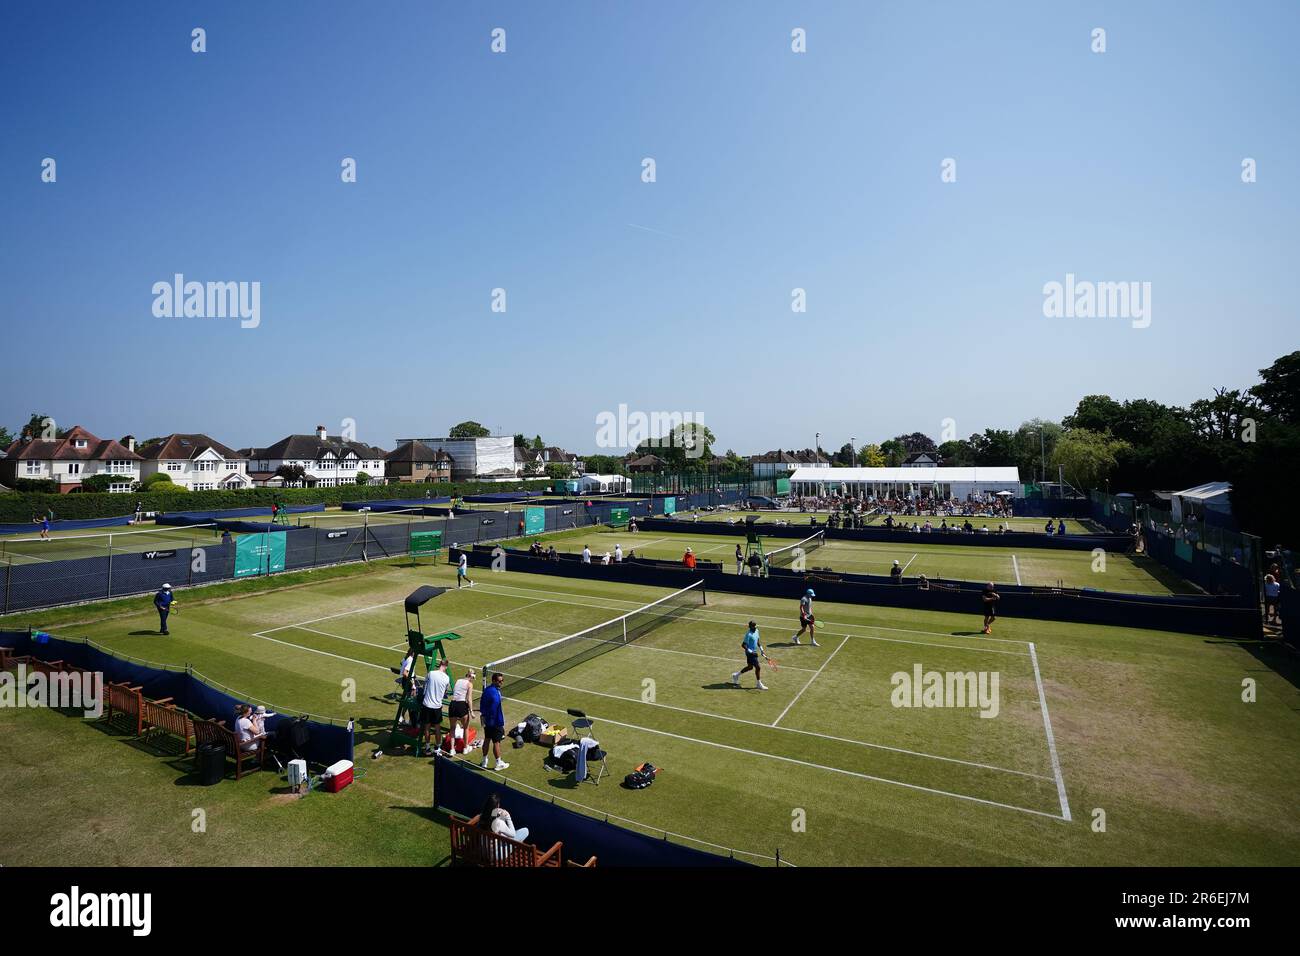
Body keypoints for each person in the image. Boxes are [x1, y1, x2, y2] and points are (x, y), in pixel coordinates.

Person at [478, 672, 510, 771]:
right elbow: (493, 709)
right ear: (494, 681)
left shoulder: (487, 690)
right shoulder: (495, 694)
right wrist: (494, 721)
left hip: (487, 721)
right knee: (496, 742)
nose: (501, 683)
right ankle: (498, 762)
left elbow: (482, 704)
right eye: (499, 681)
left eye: (502, 681)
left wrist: (485, 718)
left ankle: (484, 761)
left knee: (487, 739)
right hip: (495, 722)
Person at [420, 658, 451, 753]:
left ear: (439, 664)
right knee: (437, 727)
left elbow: (424, 686)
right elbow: (445, 692)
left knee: (427, 727)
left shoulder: (431, 673)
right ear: (446, 666)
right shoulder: (447, 678)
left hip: (427, 705)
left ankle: (428, 747)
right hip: (437, 706)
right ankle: (438, 747)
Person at [446, 668, 476, 757]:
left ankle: (452, 749)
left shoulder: (458, 681)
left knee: (452, 728)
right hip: (461, 706)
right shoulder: (469, 684)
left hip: (453, 705)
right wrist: (471, 711)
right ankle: (465, 748)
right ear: (471, 676)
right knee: (466, 728)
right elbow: (469, 699)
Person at [731, 621, 768, 690]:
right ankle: (759, 684)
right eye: (753, 627)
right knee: (758, 667)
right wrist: (751, 652)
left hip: (754, 652)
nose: (755, 628)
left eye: (755, 627)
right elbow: (743, 645)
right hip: (750, 653)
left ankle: (736, 675)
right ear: (750, 627)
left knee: (750, 667)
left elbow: (758, 642)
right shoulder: (748, 634)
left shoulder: (757, 631)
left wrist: (762, 650)